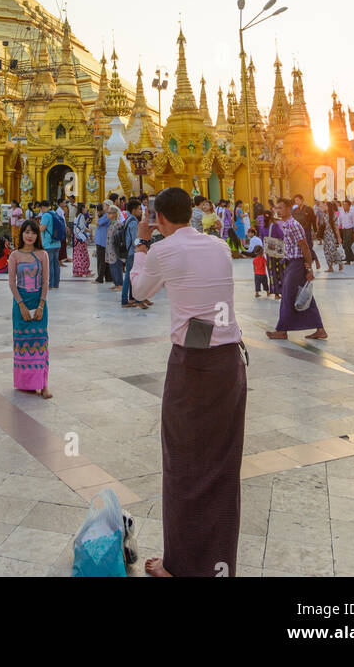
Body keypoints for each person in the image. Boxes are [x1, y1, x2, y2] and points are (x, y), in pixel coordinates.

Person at [129, 187, 246, 578]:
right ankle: (218, 565)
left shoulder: (161, 250)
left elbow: (138, 291)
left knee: (182, 464)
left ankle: (178, 565)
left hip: (192, 367)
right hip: (230, 363)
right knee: (221, 467)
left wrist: (142, 245)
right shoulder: (219, 247)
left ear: (159, 219)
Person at [265, 198, 327, 341]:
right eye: (276, 208)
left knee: (287, 296)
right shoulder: (286, 224)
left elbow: (304, 246)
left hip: (297, 264)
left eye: (281, 208)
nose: (278, 211)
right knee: (303, 295)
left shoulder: (293, 224)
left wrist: (309, 268)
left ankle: (281, 331)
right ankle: (320, 329)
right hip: (291, 263)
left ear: (288, 209)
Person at [8, 219, 51, 398]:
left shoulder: (42, 255)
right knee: (23, 345)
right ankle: (27, 383)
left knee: (40, 344)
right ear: (21, 234)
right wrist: (21, 305)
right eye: (26, 232)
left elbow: (46, 281)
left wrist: (41, 304)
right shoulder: (14, 256)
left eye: (33, 232)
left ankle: (43, 384)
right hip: (20, 303)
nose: (30, 236)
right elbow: (12, 283)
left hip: (38, 302)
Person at [121, 198, 144, 309]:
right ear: (134, 210)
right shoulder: (133, 222)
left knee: (130, 276)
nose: (141, 211)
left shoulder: (128, 219)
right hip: (132, 252)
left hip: (129, 251)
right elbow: (135, 239)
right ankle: (124, 300)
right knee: (129, 277)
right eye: (139, 209)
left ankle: (131, 298)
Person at [40, 200, 61, 289]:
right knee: (56, 264)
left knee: (49, 264)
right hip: (57, 243)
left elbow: (42, 228)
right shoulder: (55, 214)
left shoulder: (46, 215)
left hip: (48, 243)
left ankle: (50, 284)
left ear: (43, 207)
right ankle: (56, 283)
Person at [263, 213, 285, 299]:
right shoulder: (275, 226)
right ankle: (282, 291)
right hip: (277, 253)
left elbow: (262, 239)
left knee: (272, 272)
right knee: (280, 271)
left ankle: (275, 293)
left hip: (269, 253)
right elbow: (282, 236)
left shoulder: (262, 228)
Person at [243, 229, 270, 296]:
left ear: (252, 233)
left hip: (257, 274)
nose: (248, 234)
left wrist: (255, 272)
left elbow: (254, 267)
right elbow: (266, 264)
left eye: (249, 233)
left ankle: (257, 293)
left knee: (257, 284)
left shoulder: (254, 260)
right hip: (263, 274)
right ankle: (267, 292)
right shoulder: (263, 258)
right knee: (265, 283)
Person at [320, 201, 344, 272]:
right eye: (324, 205)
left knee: (332, 250)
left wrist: (339, 237)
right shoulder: (324, 214)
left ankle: (340, 262)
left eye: (326, 205)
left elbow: (336, 227)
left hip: (332, 235)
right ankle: (330, 267)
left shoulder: (333, 215)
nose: (324, 206)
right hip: (325, 235)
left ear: (329, 207)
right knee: (326, 251)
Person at [104, 204, 123, 290]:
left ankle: (120, 284)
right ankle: (116, 283)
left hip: (115, 249)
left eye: (110, 213)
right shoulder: (112, 224)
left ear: (115, 214)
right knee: (112, 267)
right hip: (110, 249)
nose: (108, 214)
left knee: (116, 266)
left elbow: (119, 238)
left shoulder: (118, 224)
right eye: (108, 213)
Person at [72, 203, 91, 277]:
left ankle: (76, 271)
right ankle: (84, 271)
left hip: (76, 237)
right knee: (83, 255)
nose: (87, 209)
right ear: (82, 209)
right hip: (80, 238)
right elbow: (82, 228)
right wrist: (89, 232)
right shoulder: (82, 216)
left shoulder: (77, 216)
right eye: (86, 207)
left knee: (77, 255)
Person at [92, 203, 109, 283]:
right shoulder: (104, 216)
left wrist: (95, 213)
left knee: (101, 260)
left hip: (102, 241)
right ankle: (108, 277)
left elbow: (97, 223)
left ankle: (100, 278)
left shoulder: (106, 216)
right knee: (103, 260)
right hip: (101, 240)